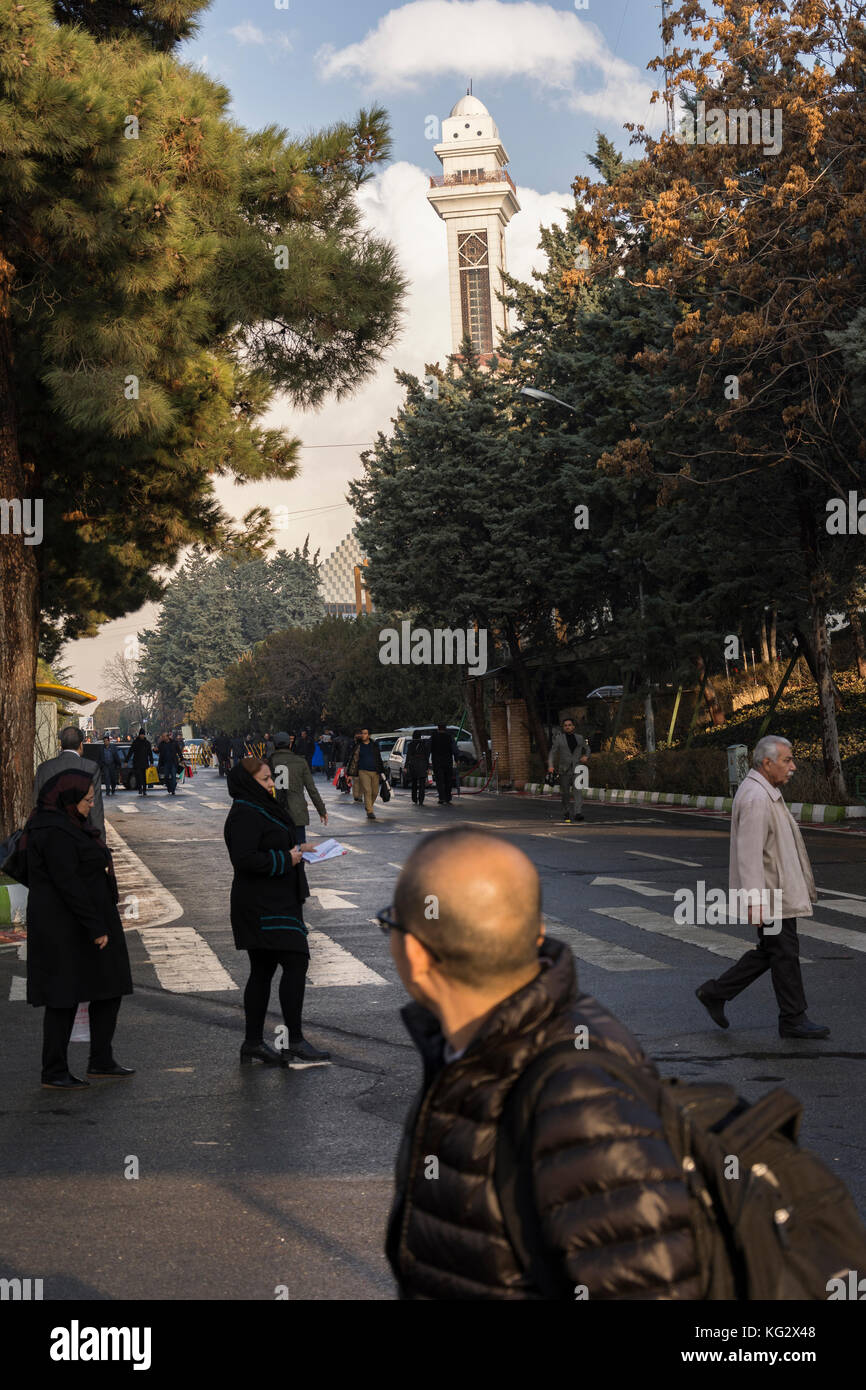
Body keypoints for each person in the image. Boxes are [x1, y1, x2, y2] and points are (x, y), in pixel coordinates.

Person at [382, 827, 699, 1299]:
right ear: (538, 933)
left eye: (391, 922)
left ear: (415, 952)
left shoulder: (580, 1101)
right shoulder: (466, 1052)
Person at [695, 736, 829, 1040]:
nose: (792, 766)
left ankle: (715, 993)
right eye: (787, 760)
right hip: (771, 894)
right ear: (767, 763)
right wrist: (755, 902)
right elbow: (749, 854)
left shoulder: (764, 792)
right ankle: (793, 1018)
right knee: (783, 952)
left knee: (772, 951)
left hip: (775, 890)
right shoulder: (756, 797)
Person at [20, 769, 134, 1089]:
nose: (90, 805)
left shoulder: (71, 823)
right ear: (69, 798)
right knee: (62, 996)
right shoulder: (52, 830)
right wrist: (95, 926)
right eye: (86, 799)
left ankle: (101, 1059)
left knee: (109, 986)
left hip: (88, 918)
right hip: (64, 926)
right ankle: (54, 1070)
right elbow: (67, 883)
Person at [223, 757, 330, 1067]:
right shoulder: (245, 813)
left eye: (271, 778)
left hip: (277, 900)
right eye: (266, 779)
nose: (272, 784)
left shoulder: (261, 807)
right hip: (262, 905)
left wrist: (302, 850)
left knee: (263, 971)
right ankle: (293, 1040)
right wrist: (287, 859)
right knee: (296, 961)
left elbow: (276, 843)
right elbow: (244, 859)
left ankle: (253, 1043)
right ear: (248, 783)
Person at [35, 725, 105, 834]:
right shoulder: (90, 767)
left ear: (61, 746)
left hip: (50, 836)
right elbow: (96, 810)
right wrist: (100, 841)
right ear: (81, 745)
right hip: (81, 836)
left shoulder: (44, 768)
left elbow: (37, 805)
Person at [269, 732, 328, 845]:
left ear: (274, 745)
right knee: (299, 848)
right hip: (297, 812)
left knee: (279, 848)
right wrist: (321, 810)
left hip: (275, 812)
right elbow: (312, 789)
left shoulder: (268, 762)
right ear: (290, 744)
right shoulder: (300, 762)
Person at [548, 717, 590, 823]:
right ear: (563, 727)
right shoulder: (559, 739)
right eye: (565, 725)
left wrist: (586, 756)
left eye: (569, 725)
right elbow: (552, 753)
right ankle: (566, 811)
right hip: (564, 769)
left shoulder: (580, 738)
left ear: (573, 727)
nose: (567, 727)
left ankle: (578, 813)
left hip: (577, 767)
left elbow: (588, 748)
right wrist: (550, 766)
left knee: (578, 791)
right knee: (565, 793)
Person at [346, 728, 386, 820]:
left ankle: (369, 806)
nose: (363, 735)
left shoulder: (374, 745)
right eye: (362, 733)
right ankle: (370, 811)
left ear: (369, 735)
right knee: (367, 790)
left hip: (375, 772)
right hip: (363, 771)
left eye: (365, 733)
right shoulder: (358, 746)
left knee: (375, 792)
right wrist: (350, 774)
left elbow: (379, 759)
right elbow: (354, 760)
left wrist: (382, 772)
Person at [429, 724, 456, 805]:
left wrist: (426, 759)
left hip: (437, 762)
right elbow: (454, 748)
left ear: (438, 729)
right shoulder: (449, 737)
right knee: (448, 780)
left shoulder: (433, 737)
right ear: (445, 729)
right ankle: (448, 798)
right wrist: (457, 758)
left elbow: (428, 748)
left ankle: (441, 798)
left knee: (439, 781)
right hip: (448, 762)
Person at [125, 728, 153, 796]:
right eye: (141, 734)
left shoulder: (147, 743)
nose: (142, 736)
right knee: (138, 776)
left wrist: (151, 762)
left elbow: (150, 753)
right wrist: (126, 761)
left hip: (144, 762)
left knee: (144, 777)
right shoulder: (135, 742)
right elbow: (130, 752)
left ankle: (144, 789)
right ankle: (140, 788)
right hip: (137, 762)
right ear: (139, 735)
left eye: (143, 734)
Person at [405, 731, 431, 806]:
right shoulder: (424, 744)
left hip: (413, 765)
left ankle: (414, 798)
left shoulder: (410, 744)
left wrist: (406, 766)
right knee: (422, 784)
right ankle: (421, 799)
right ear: (420, 736)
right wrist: (428, 766)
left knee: (414, 783)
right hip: (423, 765)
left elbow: (408, 756)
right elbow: (427, 756)